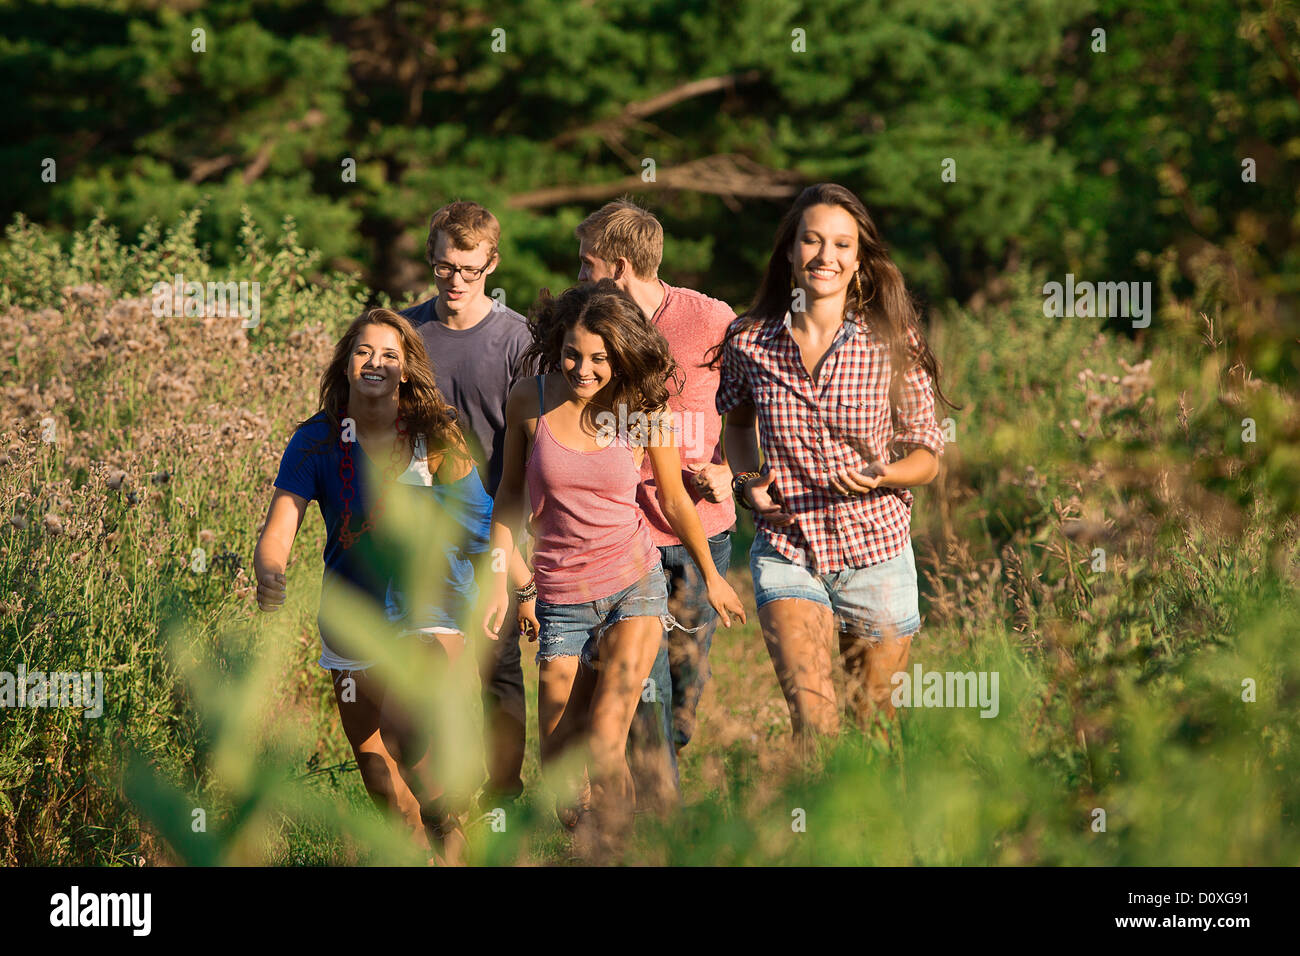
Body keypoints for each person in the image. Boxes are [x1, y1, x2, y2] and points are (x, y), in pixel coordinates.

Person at [483, 280, 746, 853]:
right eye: (573, 353)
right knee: (559, 770)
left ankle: (621, 854)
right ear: (558, 343)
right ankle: (602, 844)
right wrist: (503, 578)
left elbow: (674, 500)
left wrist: (714, 575)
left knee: (605, 742)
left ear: (622, 354)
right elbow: (508, 494)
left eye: (601, 358)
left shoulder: (645, 409)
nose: (583, 369)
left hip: (633, 585)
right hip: (558, 593)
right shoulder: (530, 398)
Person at [711, 183, 955, 742]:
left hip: (878, 550)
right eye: (813, 241)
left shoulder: (893, 342)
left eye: (842, 245)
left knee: (874, 723)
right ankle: (810, 826)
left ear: (860, 260)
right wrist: (749, 482)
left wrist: (885, 475)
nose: (826, 257)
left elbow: (927, 454)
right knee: (815, 722)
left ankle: (883, 830)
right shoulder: (750, 343)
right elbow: (740, 424)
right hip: (789, 548)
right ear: (790, 251)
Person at [253, 308, 492, 865]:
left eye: (390, 354)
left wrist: (516, 588)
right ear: (346, 362)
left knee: (409, 734)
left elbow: (482, 526)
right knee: (380, 778)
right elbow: (281, 523)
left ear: (407, 369)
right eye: (364, 352)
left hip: (431, 609)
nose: (377, 363)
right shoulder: (316, 440)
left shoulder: (435, 437)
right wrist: (271, 571)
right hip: (351, 621)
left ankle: (457, 842)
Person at [575, 199, 737, 803]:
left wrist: (731, 470)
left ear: (619, 266)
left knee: (683, 685)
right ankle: (658, 817)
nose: (579, 276)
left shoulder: (711, 319)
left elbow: (751, 408)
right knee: (646, 687)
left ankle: (671, 744)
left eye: (586, 264)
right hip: (624, 536)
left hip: (701, 530)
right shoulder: (589, 328)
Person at [399, 201, 532, 805]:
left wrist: (516, 545)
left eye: (470, 270)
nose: (455, 281)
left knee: (495, 668)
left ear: (492, 264)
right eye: (444, 267)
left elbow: (528, 450)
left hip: (493, 530)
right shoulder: (405, 333)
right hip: (420, 531)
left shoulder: (515, 338)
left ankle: (503, 791)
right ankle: (434, 796)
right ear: (431, 260)